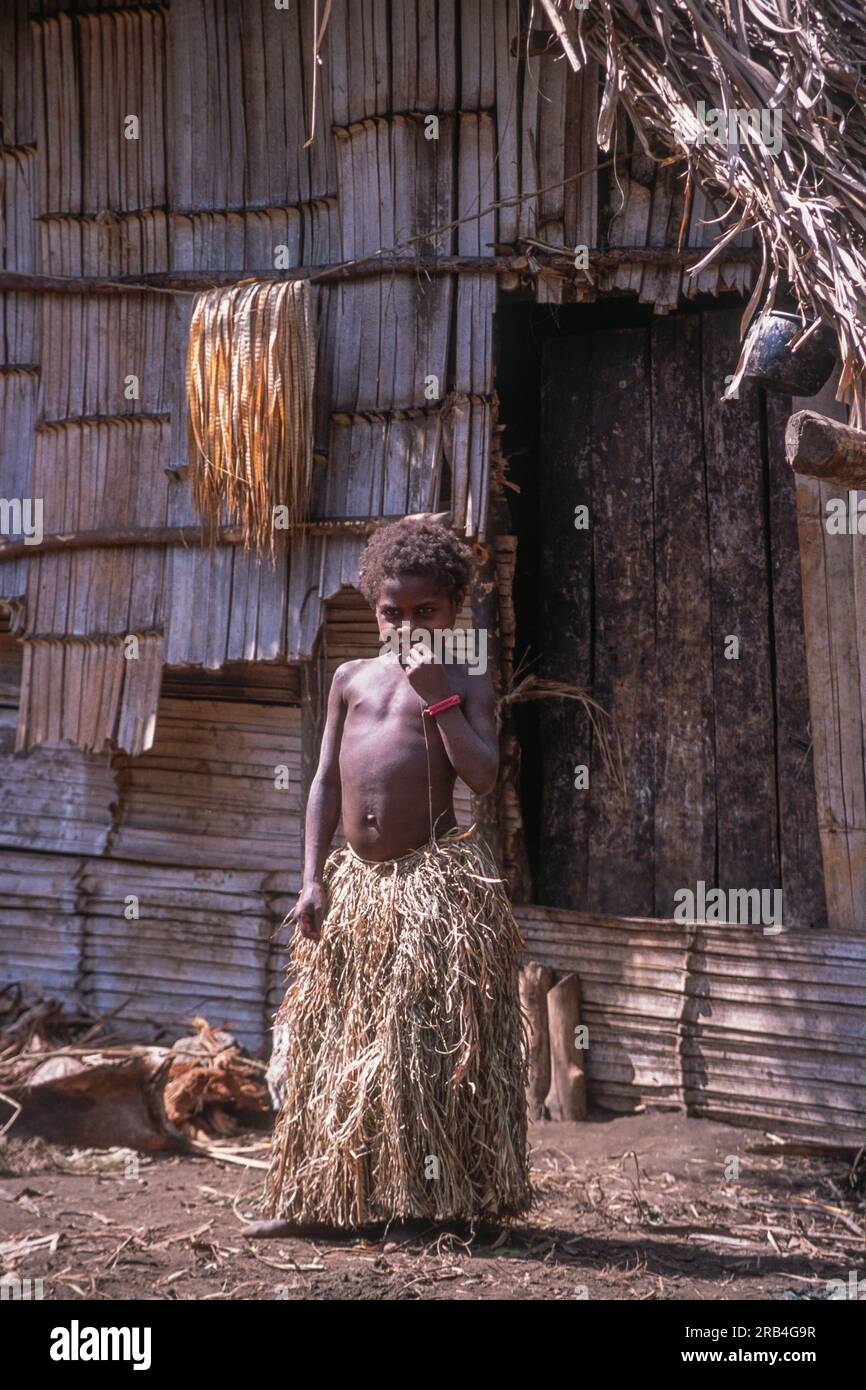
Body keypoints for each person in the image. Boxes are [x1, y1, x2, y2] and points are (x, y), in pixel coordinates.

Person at [244, 515, 533, 1240]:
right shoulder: (350, 678)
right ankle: (314, 1201)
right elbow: (322, 784)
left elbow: (485, 776)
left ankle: (417, 1207)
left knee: (411, 1058)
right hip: (355, 894)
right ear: (373, 607)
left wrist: (436, 695)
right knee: (329, 1052)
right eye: (392, 612)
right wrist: (312, 879)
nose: (408, 625)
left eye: (425, 611)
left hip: (426, 890)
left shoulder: (462, 674)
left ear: (455, 606)